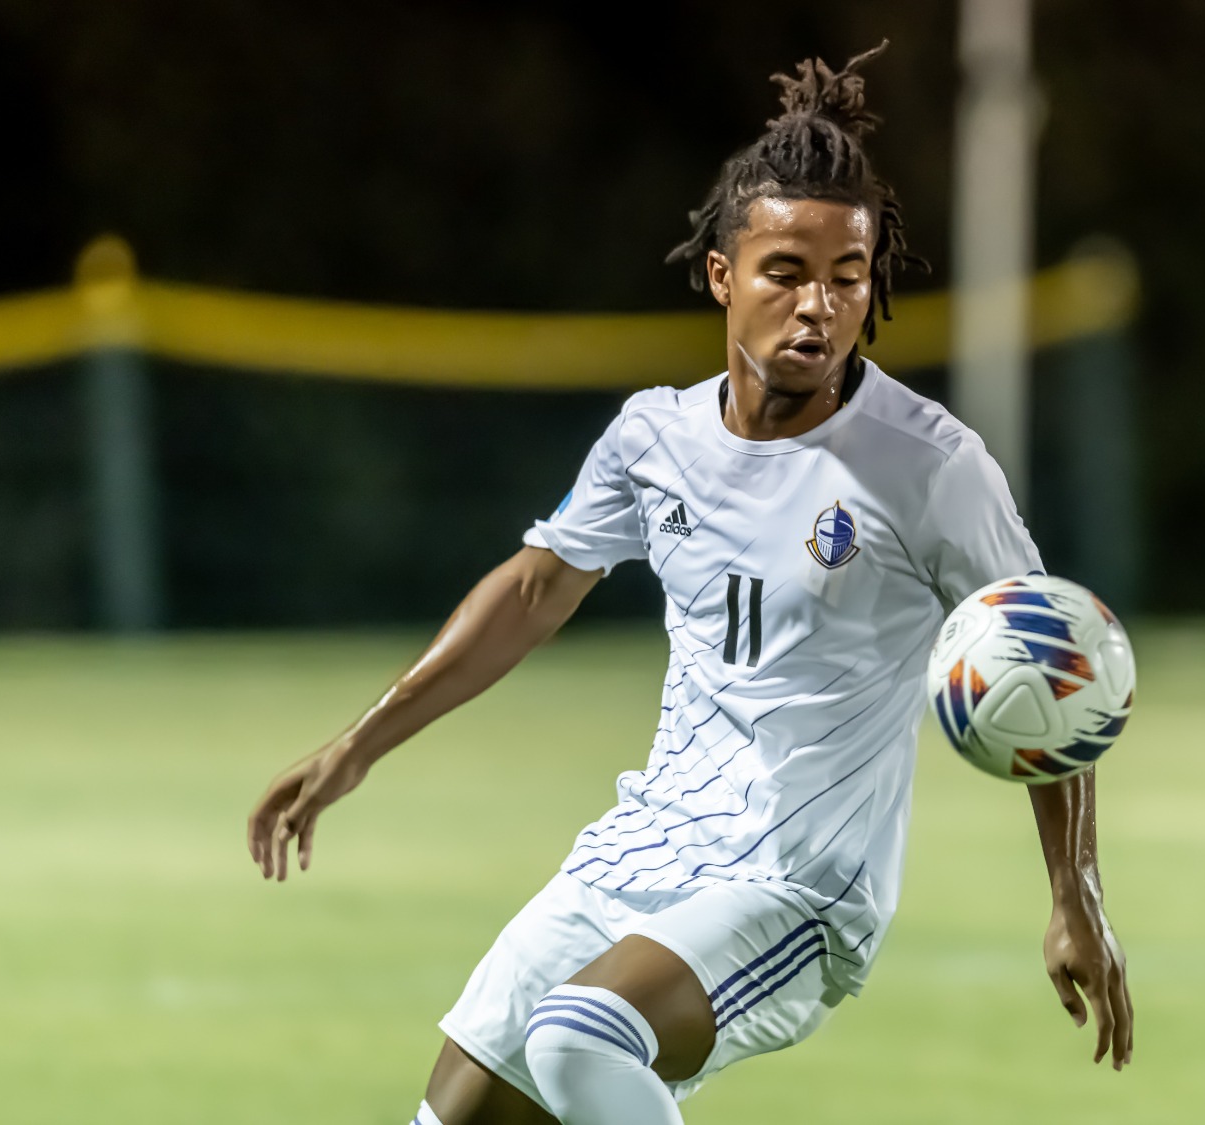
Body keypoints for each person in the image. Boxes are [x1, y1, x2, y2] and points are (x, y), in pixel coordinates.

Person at [246, 41, 1132, 1125]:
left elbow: (1049, 663)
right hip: (642, 848)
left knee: (582, 1038)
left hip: (796, 889)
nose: (818, 307)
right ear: (722, 275)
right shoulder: (651, 440)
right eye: (786, 273)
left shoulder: (930, 466)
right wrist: (356, 746)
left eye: (846, 278)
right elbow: (530, 596)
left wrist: (1072, 894)